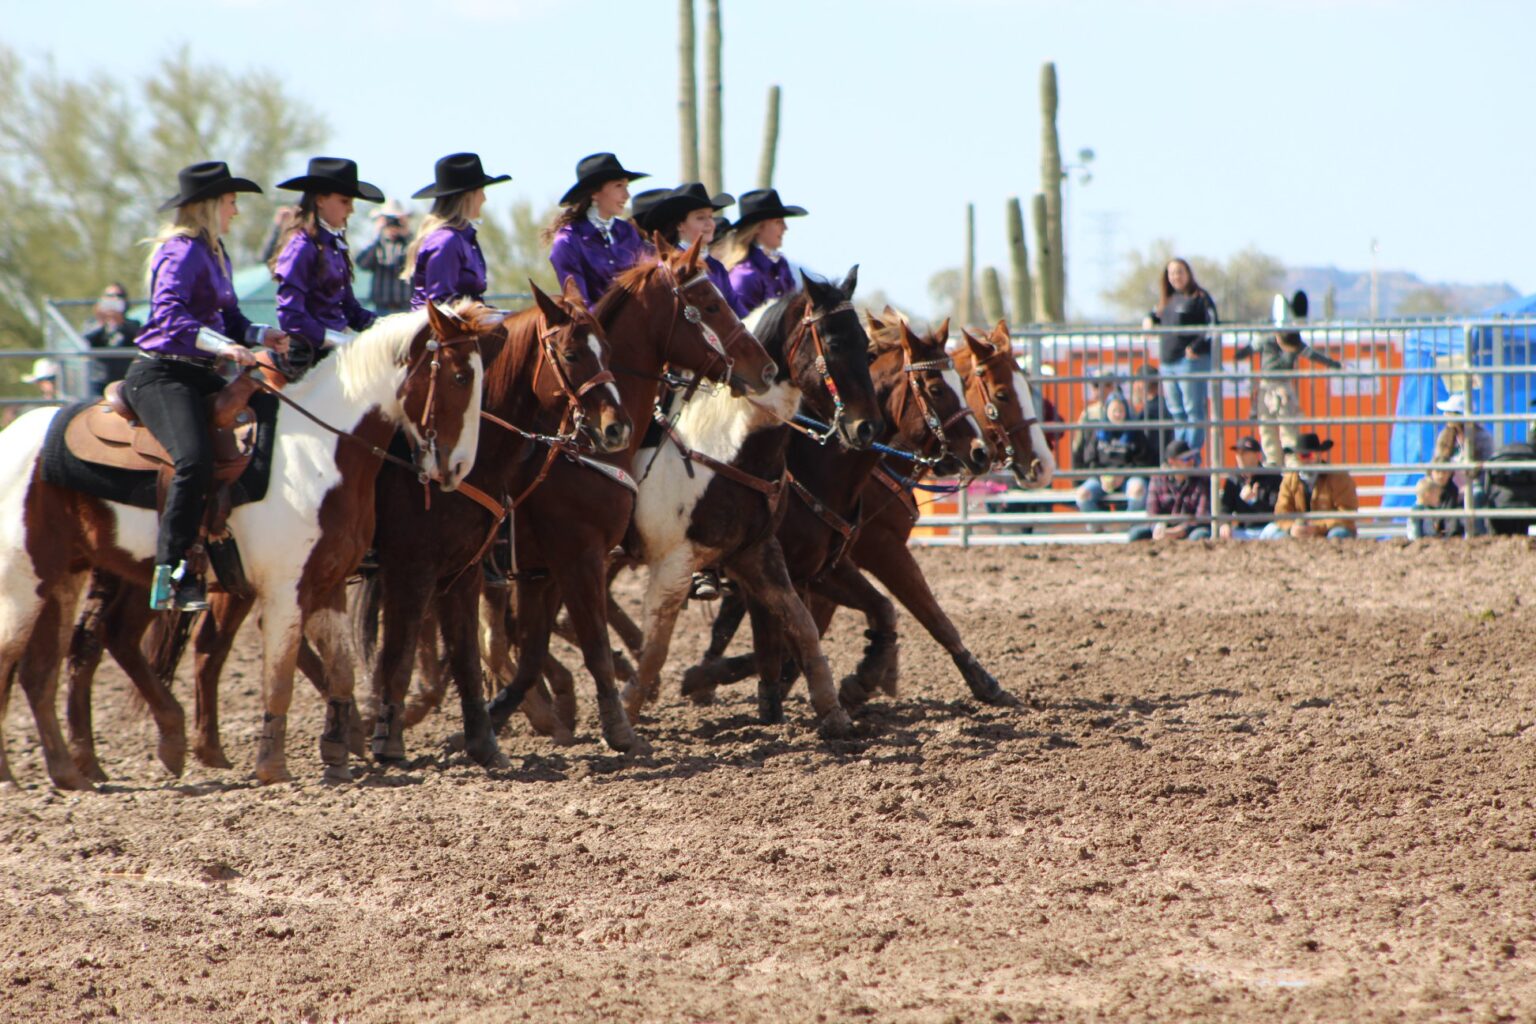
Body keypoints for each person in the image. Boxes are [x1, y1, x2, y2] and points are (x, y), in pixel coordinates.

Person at [127, 161, 289, 610]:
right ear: (211, 205)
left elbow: (231, 319)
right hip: (162, 373)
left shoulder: (215, 252)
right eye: (232, 202)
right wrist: (226, 346)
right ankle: (171, 571)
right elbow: (170, 318)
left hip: (198, 372)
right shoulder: (180, 251)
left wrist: (260, 335)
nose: (236, 211)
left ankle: (229, 541)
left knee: (269, 417)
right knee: (193, 459)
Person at [270, 157, 384, 373]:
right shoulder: (301, 246)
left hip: (334, 354)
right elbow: (291, 317)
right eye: (345, 201)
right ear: (321, 199)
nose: (351, 210)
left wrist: (390, 327)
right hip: (307, 358)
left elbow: (350, 309)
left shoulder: (334, 244)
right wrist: (339, 340)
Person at [1232, 290, 1341, 466]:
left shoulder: (1294, 340)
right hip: (1266, 389)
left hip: (1284, 389)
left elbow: (1313, 355)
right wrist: (1238, 355)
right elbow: (1248, 349)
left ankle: (1293, 466)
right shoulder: (1266, 338)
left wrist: (1334, 363)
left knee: (1289, 431)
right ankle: (1273, 464)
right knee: (1266, 430)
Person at [403, 152, 511, 310]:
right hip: (440, 330)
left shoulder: (462, 237)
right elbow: (441, 303)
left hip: (461, 327)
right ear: (468, 197)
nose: (484, 199)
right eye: (482, 191)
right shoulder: (446, 240)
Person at [546, 152, 650, 304]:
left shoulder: (629, 232)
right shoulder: (568, 240)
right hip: (593, 326)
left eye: (627, 186)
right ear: (595, 193)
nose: (627, 195)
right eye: (619, 186)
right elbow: (579, 305)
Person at [1142, 258, 1217, 453]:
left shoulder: (1199, 297)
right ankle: (1179, 453)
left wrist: (1196, 347)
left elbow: (1212, 325)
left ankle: (1190, 454)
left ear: (1188, 273)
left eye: (1179, 272)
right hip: (1168, 362)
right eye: (1172, 273)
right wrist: (1148, 321)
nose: (1176, 276)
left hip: (1190, 362)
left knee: (1193, 410)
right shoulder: (1167, 299)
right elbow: (1153, 315)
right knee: (1177, 411)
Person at [643, 183, 748, 316]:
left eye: (711, 217)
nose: (709, 223)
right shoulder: (668, 266)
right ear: (680, 225)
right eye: (700, 218)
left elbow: (737, 311)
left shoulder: (717, 268)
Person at [1075, 392, 1155, 529]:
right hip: (1102, 479)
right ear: (1107, 412)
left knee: (1138, 489)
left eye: (1121, 410)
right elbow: (1090, 460)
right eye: (1114, 410)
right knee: (1082, 494)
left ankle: (1129, 527)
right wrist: (1102, 476)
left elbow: (1143, 462)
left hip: (1129, 477)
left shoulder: (1135, 432)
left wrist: (1122, 475)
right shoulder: (1098, 432)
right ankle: (1098, 527)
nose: (1118, 414)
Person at [723, 188, 807, 313]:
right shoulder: (744, 276)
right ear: (758, 228)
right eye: (778, 222)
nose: (785, 228)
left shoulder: (781, 267)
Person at [1265, 433, 1357, 540]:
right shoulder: (1289, 479)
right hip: (1298, 532)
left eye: (1309, 455)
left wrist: (1318, 527)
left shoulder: (1339, 477)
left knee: (1337, 535)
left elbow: (1347, 513)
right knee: (1273, 532)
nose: (1306, 460)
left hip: (1329, 531)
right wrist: (1291, 528)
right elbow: (1281, 512)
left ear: (1319, 454)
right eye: (1302, 456)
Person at [1430, 392, 1495, 535]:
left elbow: (1484, 468)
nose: (1445, 415)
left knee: (1475, 495)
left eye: (1449, 412)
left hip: (1474, 482)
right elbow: (1438, 460)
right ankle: (1433, 533)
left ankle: (1478, 535)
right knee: (1428, 491)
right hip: (1449, 483)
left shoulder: (1481, 437)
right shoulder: (1446, 436)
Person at [1128, 438, 1211, 541]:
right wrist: (1158, 528)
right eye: (1186, 459)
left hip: (1190, 529)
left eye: (1192, 457)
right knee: (1136, 534)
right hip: (1164, 529)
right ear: (1172, 462)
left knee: (1199, 535)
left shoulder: (1202, 480)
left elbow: (1201, 516)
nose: (1191, 462)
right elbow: (1152, 512)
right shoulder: (1158, 479)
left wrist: (1179, 531)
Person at [356, 198, 413, 315]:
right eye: (389, 220)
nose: (393, 224)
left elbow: (421, 261)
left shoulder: (410, 245)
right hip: (382, 308)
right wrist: (378, 233)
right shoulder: (378, 245)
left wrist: (407, 233)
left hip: (405, 308)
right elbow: (362, 263)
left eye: (396, 221)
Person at [1218, 436, 1281, 539]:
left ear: (1257, 455)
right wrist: (1225, 523)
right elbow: (1225, 508)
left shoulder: (1272, 477)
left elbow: (1275, 511)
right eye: (1238, 453)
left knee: (1278, 532)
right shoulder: (1233, 480)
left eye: (1245, 453)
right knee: (1224, 535)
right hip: (1243, 532)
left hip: (1267, 530)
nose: (1240, 456)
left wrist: (1253, 501)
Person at [82, 282, 141, 388]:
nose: (114, 299)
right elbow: (86, 340)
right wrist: (102, 322)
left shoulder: (133, 324)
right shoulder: (91, 324)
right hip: (99, 380)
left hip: (125, 380)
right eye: (109, 296)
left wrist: (120, 323)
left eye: (119, 296)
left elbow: (137, 337)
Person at [1406, 468, 1463, 539]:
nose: (1439, 499)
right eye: (1437, 496)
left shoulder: (1426, 509)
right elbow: (1416, 531)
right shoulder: (1418, 511)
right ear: (1428, 495)